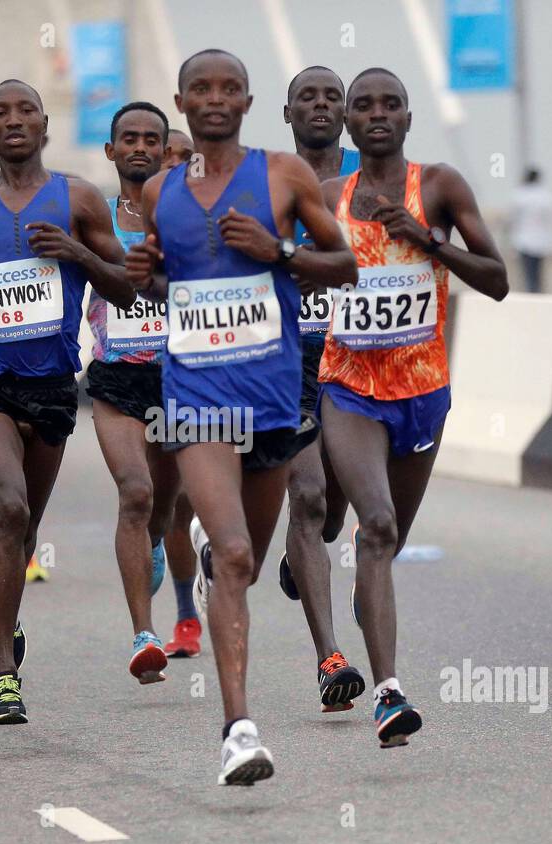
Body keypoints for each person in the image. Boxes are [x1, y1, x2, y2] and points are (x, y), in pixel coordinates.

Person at [126, 49, 357, 785]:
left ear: (249, 102)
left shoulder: (283, 174)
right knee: (230, 554)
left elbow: (343, 262)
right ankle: (238, 730)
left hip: (274, 399)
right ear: (182, 103)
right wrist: (145, 279)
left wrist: (278, 251)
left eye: (229, 88)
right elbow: (164, 284)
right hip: (195, 397)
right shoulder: (163, 189)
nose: (215, 99)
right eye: (201, 89)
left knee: (248, 563)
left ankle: (219, 581)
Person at [0, 79, 135, 724]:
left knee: (26, 526)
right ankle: (1, 670)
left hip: (49, 386)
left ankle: (7, 616)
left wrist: (75, 251)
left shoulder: (78, 199)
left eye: (25, 111)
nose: (13, 120)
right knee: (8, 504)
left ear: (45, 125)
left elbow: (127, 290)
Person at [318, 68, 508, 747]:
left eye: (389, 104)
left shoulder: (440, 186)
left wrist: (428, 239)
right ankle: (390, 695)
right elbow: (286, 270)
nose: (376, 114)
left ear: (407, 117)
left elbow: (499, 282)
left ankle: (369, 601)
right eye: (362, 105)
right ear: (346, 121)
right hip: (347, 387)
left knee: (386, 543)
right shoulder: (324, 197)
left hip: (423, 394)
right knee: (375, 523)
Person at [85, 101, 182, 684]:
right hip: (116, 376)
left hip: (179, 377)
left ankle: (153, 552)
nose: (140, 146)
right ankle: (144, 635)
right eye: (129, 138)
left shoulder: (184, 213)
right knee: (136, 493)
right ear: (111, 150)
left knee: (164, 509)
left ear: (167, 149)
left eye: (152, 137)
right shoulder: (91, 215)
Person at [279, 65, 365, 712]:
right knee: (307, 497)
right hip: (288, 366)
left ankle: (304, 558)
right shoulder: (267, 180)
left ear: (347, 111)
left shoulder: (375, 176)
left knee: (333, 511)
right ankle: (329, 657)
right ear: (286, 113)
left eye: (331, 97)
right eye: (306, 97)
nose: (319, 105)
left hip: (358, 362)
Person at [156, 128, 203, 659]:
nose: (172, 163)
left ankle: (188, 612)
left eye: (183, 156)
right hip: (133, 376)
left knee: (188, 495)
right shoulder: (120, 219)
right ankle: (181, 605)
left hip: (195, 373)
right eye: (165, 154)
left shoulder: (209, 215)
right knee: (156, 496)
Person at [508, 167, 552, 293]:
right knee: (538, 270)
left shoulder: (519, 196)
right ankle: (536, 291)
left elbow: (513, 220)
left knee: (527, 271)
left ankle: (531, 291)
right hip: (541, 240)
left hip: (523, 240)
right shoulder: (547, 197)